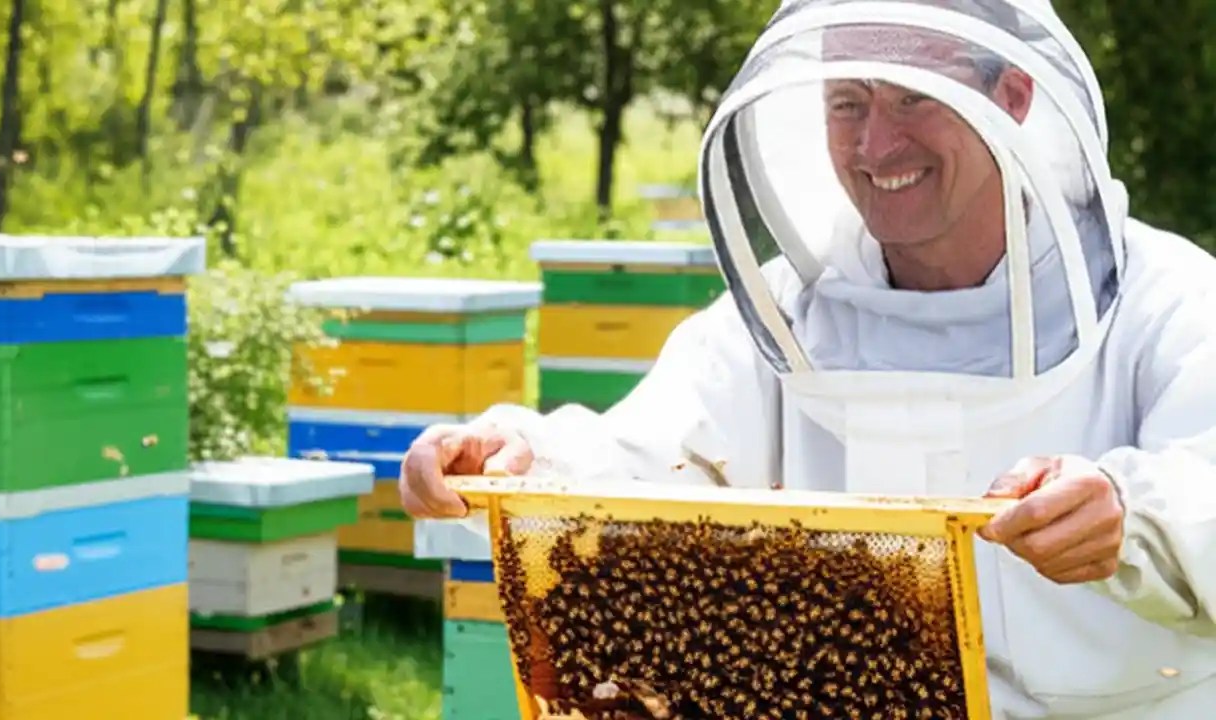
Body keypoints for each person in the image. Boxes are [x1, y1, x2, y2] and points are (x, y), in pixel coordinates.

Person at [401, 1, 1216, 717]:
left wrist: (1130, 515)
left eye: (915, 96)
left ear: (1012, 97)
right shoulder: (787, 313)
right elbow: (651, 456)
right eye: (847, 102)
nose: (876, 143)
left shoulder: (1168, 299)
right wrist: (519, 457)